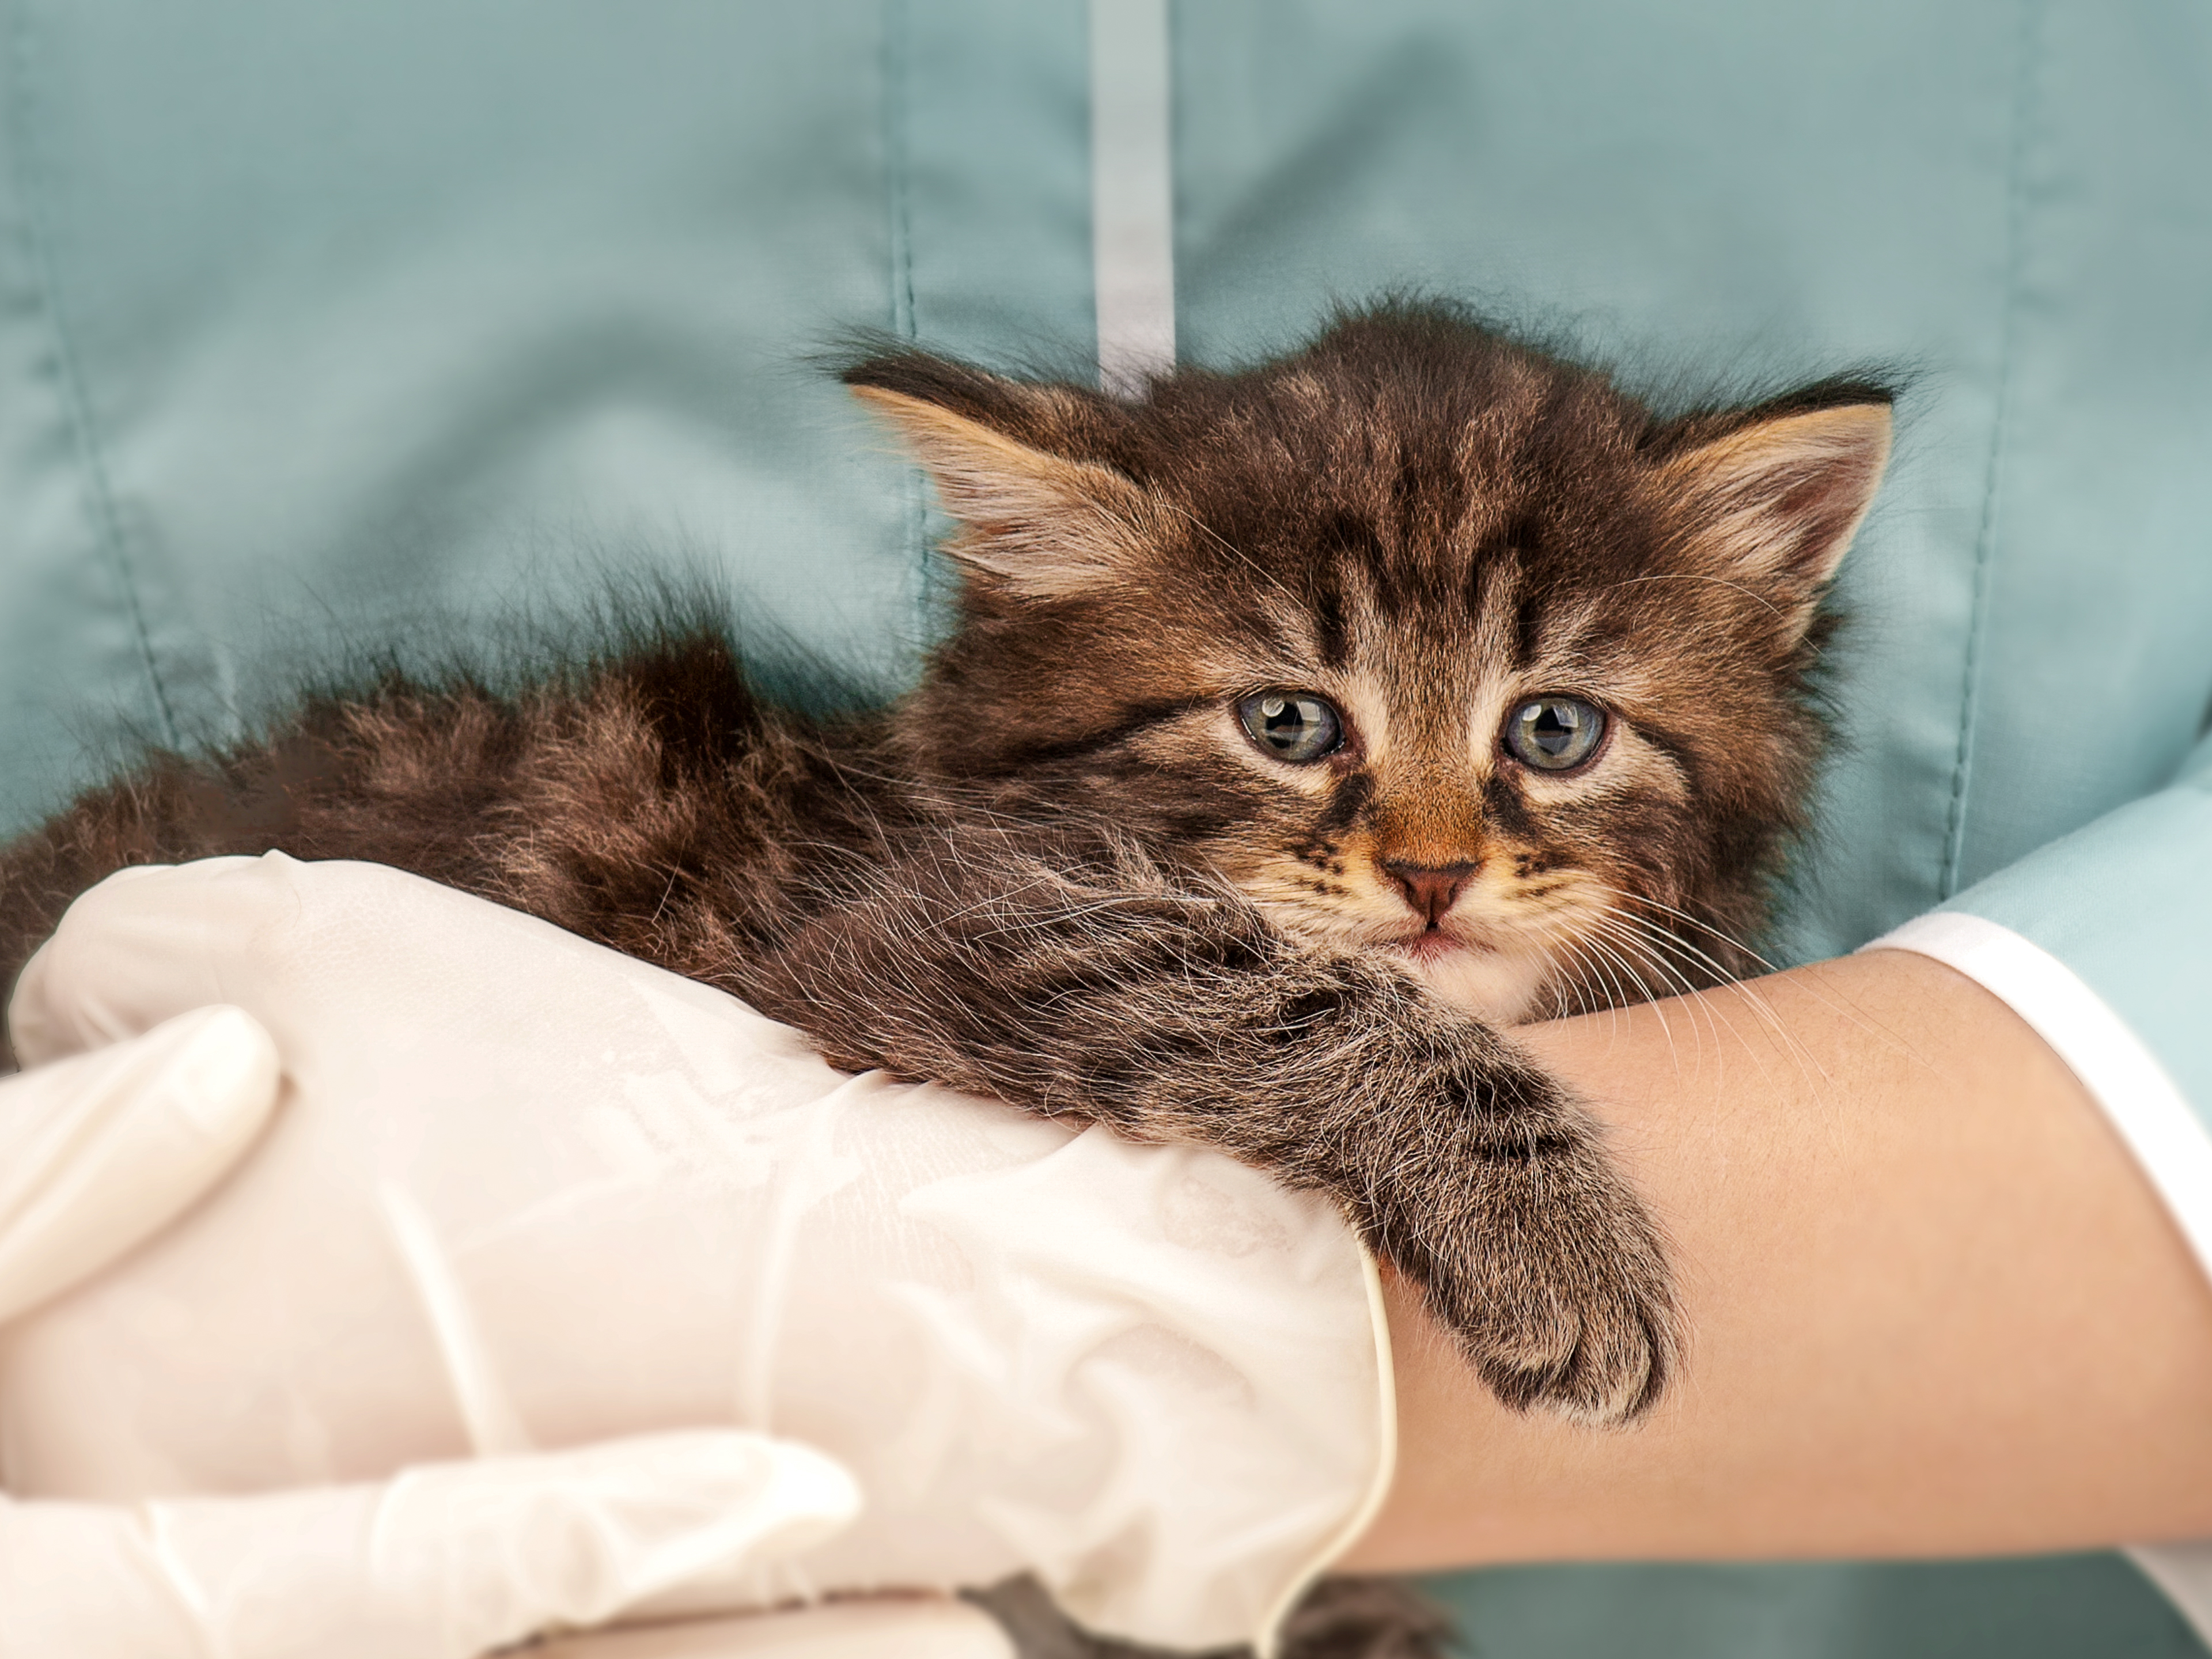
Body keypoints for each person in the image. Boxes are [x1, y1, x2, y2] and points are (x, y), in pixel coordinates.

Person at [4, 3, 2211, 1655]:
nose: (1431, 842)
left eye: (1552, 731)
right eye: (1287, 726)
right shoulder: (962, 868)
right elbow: (978, 945)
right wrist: (1461, 1126)